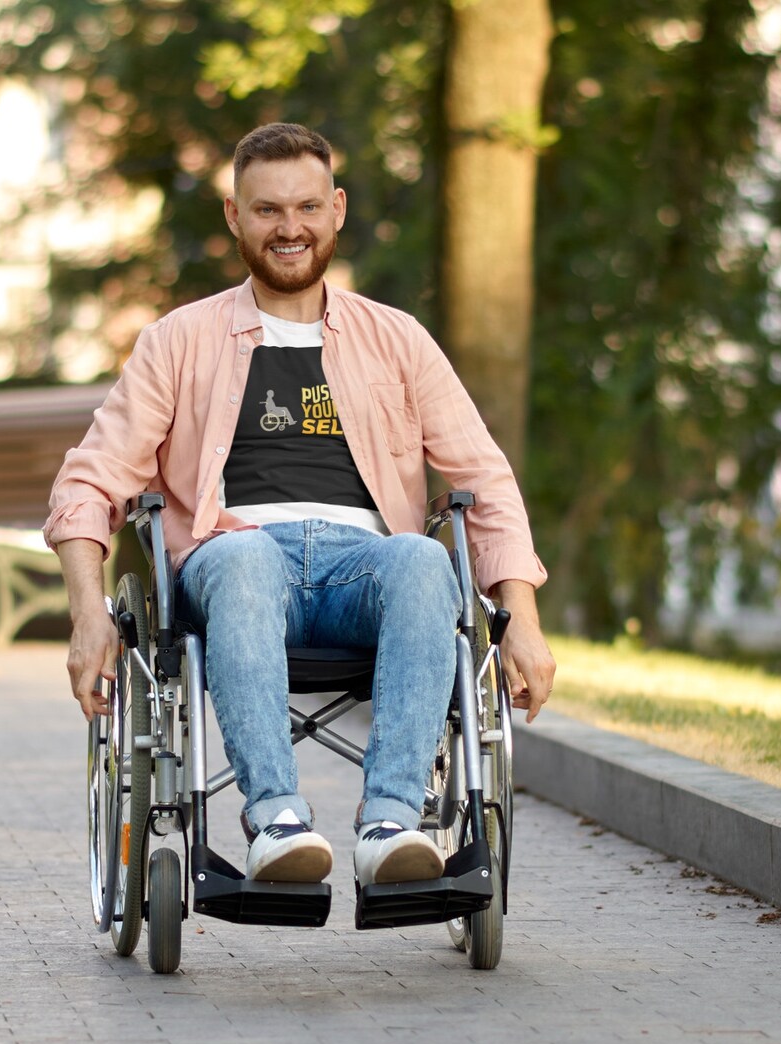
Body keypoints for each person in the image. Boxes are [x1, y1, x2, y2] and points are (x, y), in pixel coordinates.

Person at [45, 122, 555, 889]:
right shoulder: (177, 342)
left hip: (368, 567)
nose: (290, 228)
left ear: (338, 209)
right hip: (237, 556)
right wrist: (88, 615)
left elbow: (486, 477)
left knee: (423, 556)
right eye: (268, 210)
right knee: (245, 554)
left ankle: (391, 822)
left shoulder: (398, 340)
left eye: (308, 206)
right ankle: (277, 821)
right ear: (234, 216)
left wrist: (522, 619)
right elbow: (89, 482)